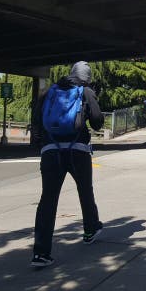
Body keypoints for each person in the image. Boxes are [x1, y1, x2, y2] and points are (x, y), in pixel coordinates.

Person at [30, 61, 104, 267]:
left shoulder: (49, 92)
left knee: (48, 199)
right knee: (84, 190)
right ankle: (90, 230)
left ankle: (41, 253)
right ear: (86, 78)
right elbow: (97, 121)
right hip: (77, 150)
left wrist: (42, 144)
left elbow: (36, 120)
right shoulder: (86, 91)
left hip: (50, 151)